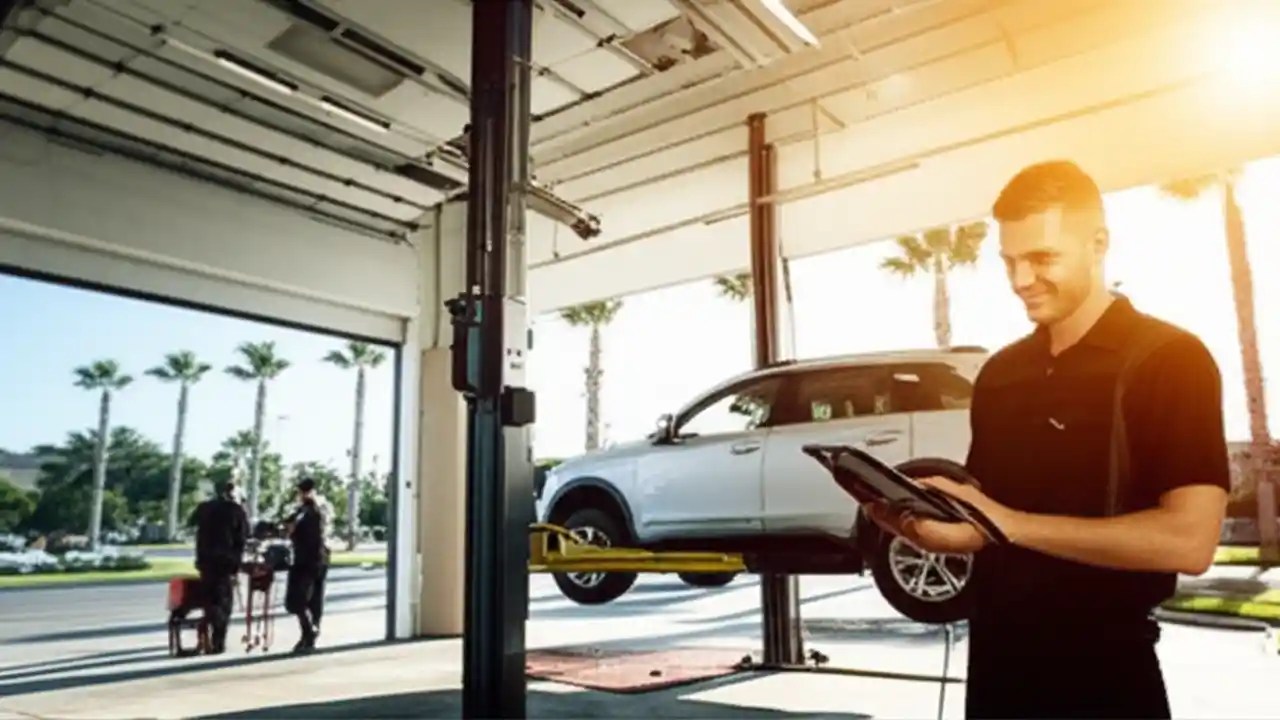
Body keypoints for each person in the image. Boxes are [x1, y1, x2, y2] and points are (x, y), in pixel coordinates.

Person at [866, 160, 1230, 719]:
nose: (1020, 280)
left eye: (1042, 258)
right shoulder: (1000, 373)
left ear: (1098, 243)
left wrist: (1011, 525)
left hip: (1106, 676)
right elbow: (990, 526)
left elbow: (1190, 541)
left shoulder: (1169, 359)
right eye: (1010, 261)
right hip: (996, 669)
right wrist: (940, 532)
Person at [189, 479, 249, 654]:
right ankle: (218, 639)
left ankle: (212, 632)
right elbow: (244, 535)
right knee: (224, 600)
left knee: (210, 598)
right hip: (227, 561)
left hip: (206, 559)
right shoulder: (236, 510)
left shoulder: (205, 507)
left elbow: (191, 522)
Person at [284, 475, 332, 653]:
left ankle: (308, 630)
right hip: (322, 556)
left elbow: (291, 526)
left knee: (297, 599)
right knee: (316, 598)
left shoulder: (305, 509)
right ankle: (311, 634)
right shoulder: (324, 506)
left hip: (306, 558)